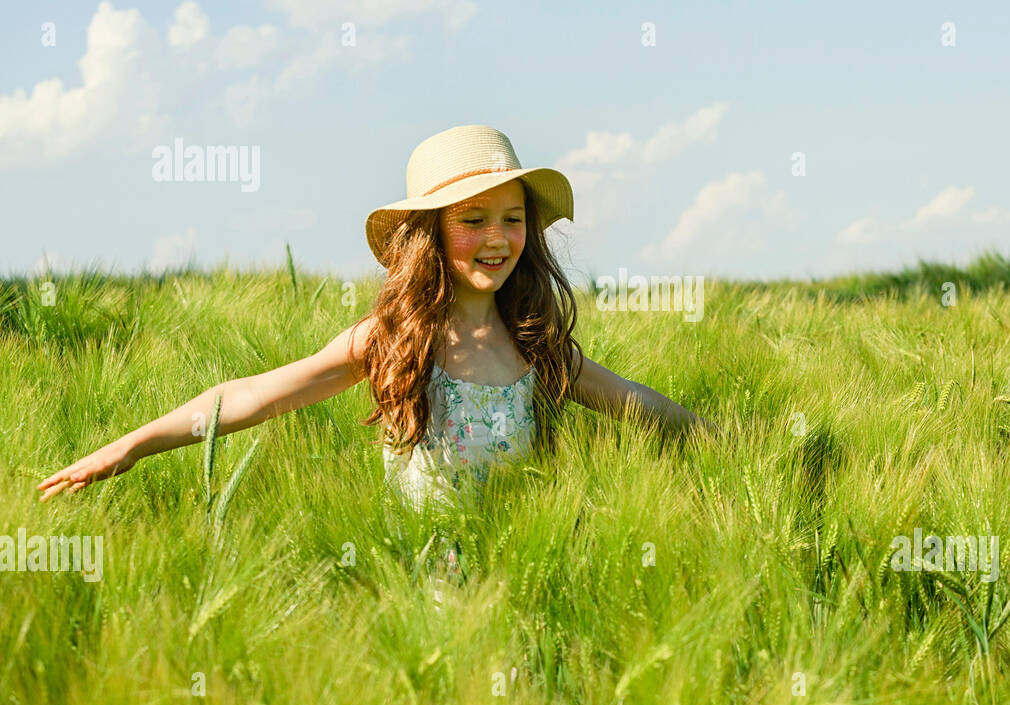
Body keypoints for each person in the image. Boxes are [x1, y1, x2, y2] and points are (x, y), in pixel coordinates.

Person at [36, 125, 718, 528]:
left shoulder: (539, 349)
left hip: (519, 572)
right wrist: (132, 445)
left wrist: (734, 444)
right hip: (420, 582)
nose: (496, 238)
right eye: (471, 219)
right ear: (428, 233)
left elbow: (637, 402)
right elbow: (249, 395)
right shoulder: (390, 342)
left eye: (512, 218)